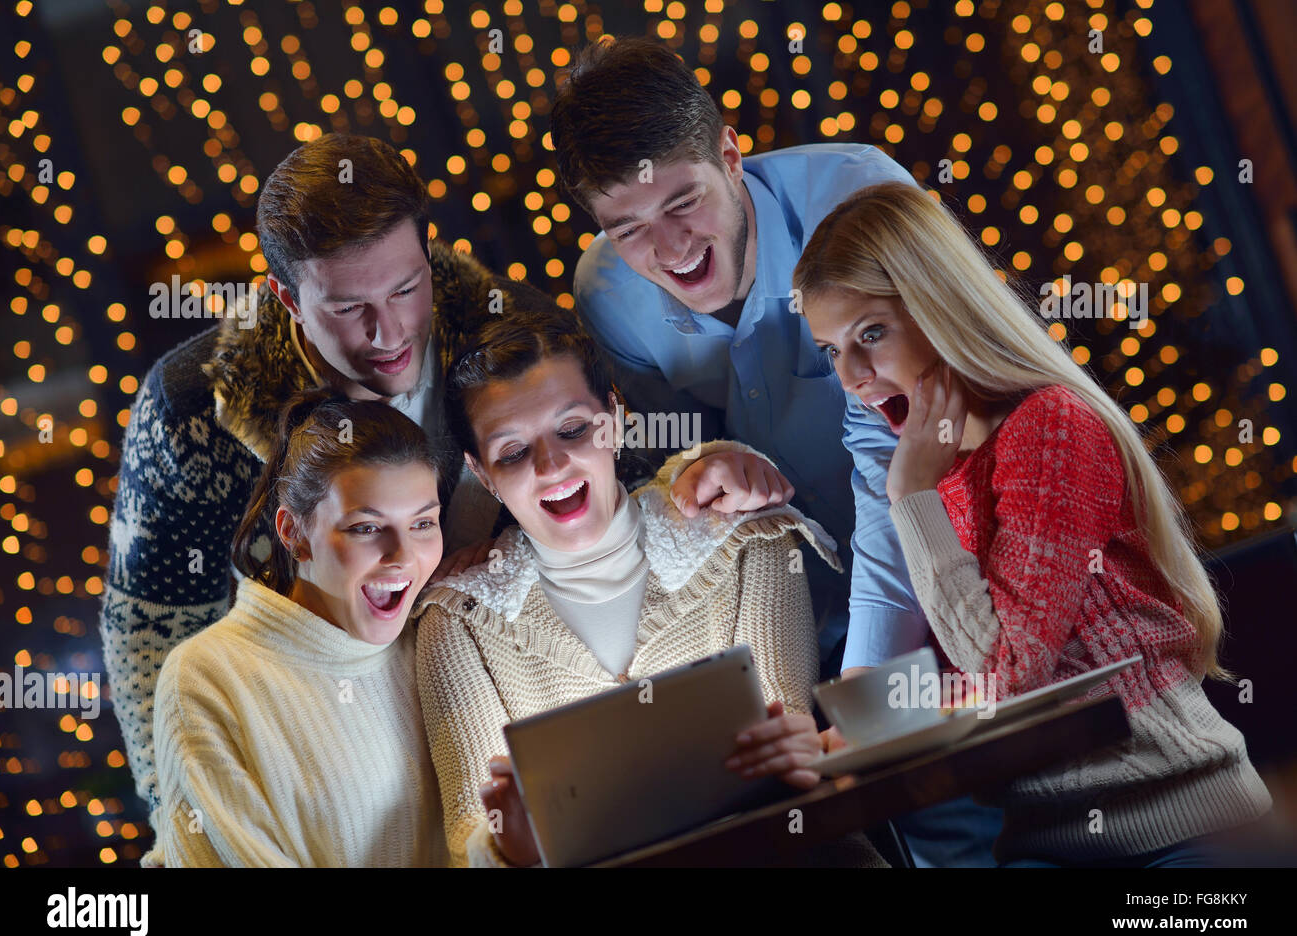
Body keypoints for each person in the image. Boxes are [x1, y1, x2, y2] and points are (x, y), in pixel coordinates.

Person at [101, 131, 780, 857]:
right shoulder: (189, 409)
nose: (388, 330)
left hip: (480, 709)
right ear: (287, 299)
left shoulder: (504, 328)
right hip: (306, 742)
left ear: (428, 257)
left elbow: (610, 460)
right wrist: (184, 804)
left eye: (405, 288)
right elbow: (148, 627)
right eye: (346, 307)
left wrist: (693, 468)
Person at [553, 34, 1001, 867]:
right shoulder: (607, 293)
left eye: (684, 202)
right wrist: (699, 464)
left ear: (731, 154)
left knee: (949, 801)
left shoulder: (857, 197)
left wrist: (866, 696)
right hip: (802, 604)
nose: (669, 248)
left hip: (961, 557)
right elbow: (670, 459)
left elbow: (898, 465)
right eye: (628, 227)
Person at [795, 181, 1274, 866]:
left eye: (871, 333)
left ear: (939, 306)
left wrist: (909, 494)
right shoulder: (940, 471)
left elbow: (1013, 674)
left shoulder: (1046, 428)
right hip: (1045, 842)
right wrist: (881, 726)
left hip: (1181, 826)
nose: (854, 376)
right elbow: (990, 676)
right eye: (830, 350)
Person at [413, 311, 883, 868]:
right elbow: (472, 832)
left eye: (572, 429)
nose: (553, 465)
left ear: (613, 417)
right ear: (483, 474)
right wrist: (510, 851)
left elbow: (788, 730)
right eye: (512, 453)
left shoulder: (744, 536)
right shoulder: (460, 619)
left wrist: (798, 753)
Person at [152, 394, 449, 866]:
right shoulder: (207, 677)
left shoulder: (441, 634)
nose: (404, 556)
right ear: (293, 533)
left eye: (423, 523)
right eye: (366, 528)